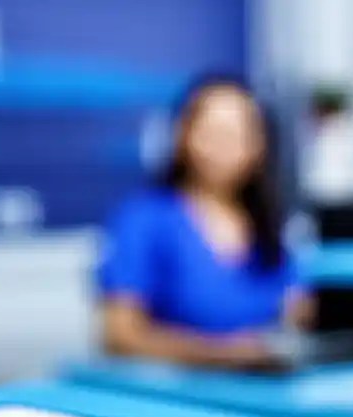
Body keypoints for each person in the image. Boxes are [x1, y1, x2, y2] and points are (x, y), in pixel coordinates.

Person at [97, 75, 313, 368]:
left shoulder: (272, 225)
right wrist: (227, 354)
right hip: (176, 396)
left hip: (266, 391)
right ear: (183, 135)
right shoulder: (145, 219)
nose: (225, 147)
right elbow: (120, 334)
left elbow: (297, 310)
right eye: (213, 132)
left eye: (239, 134)